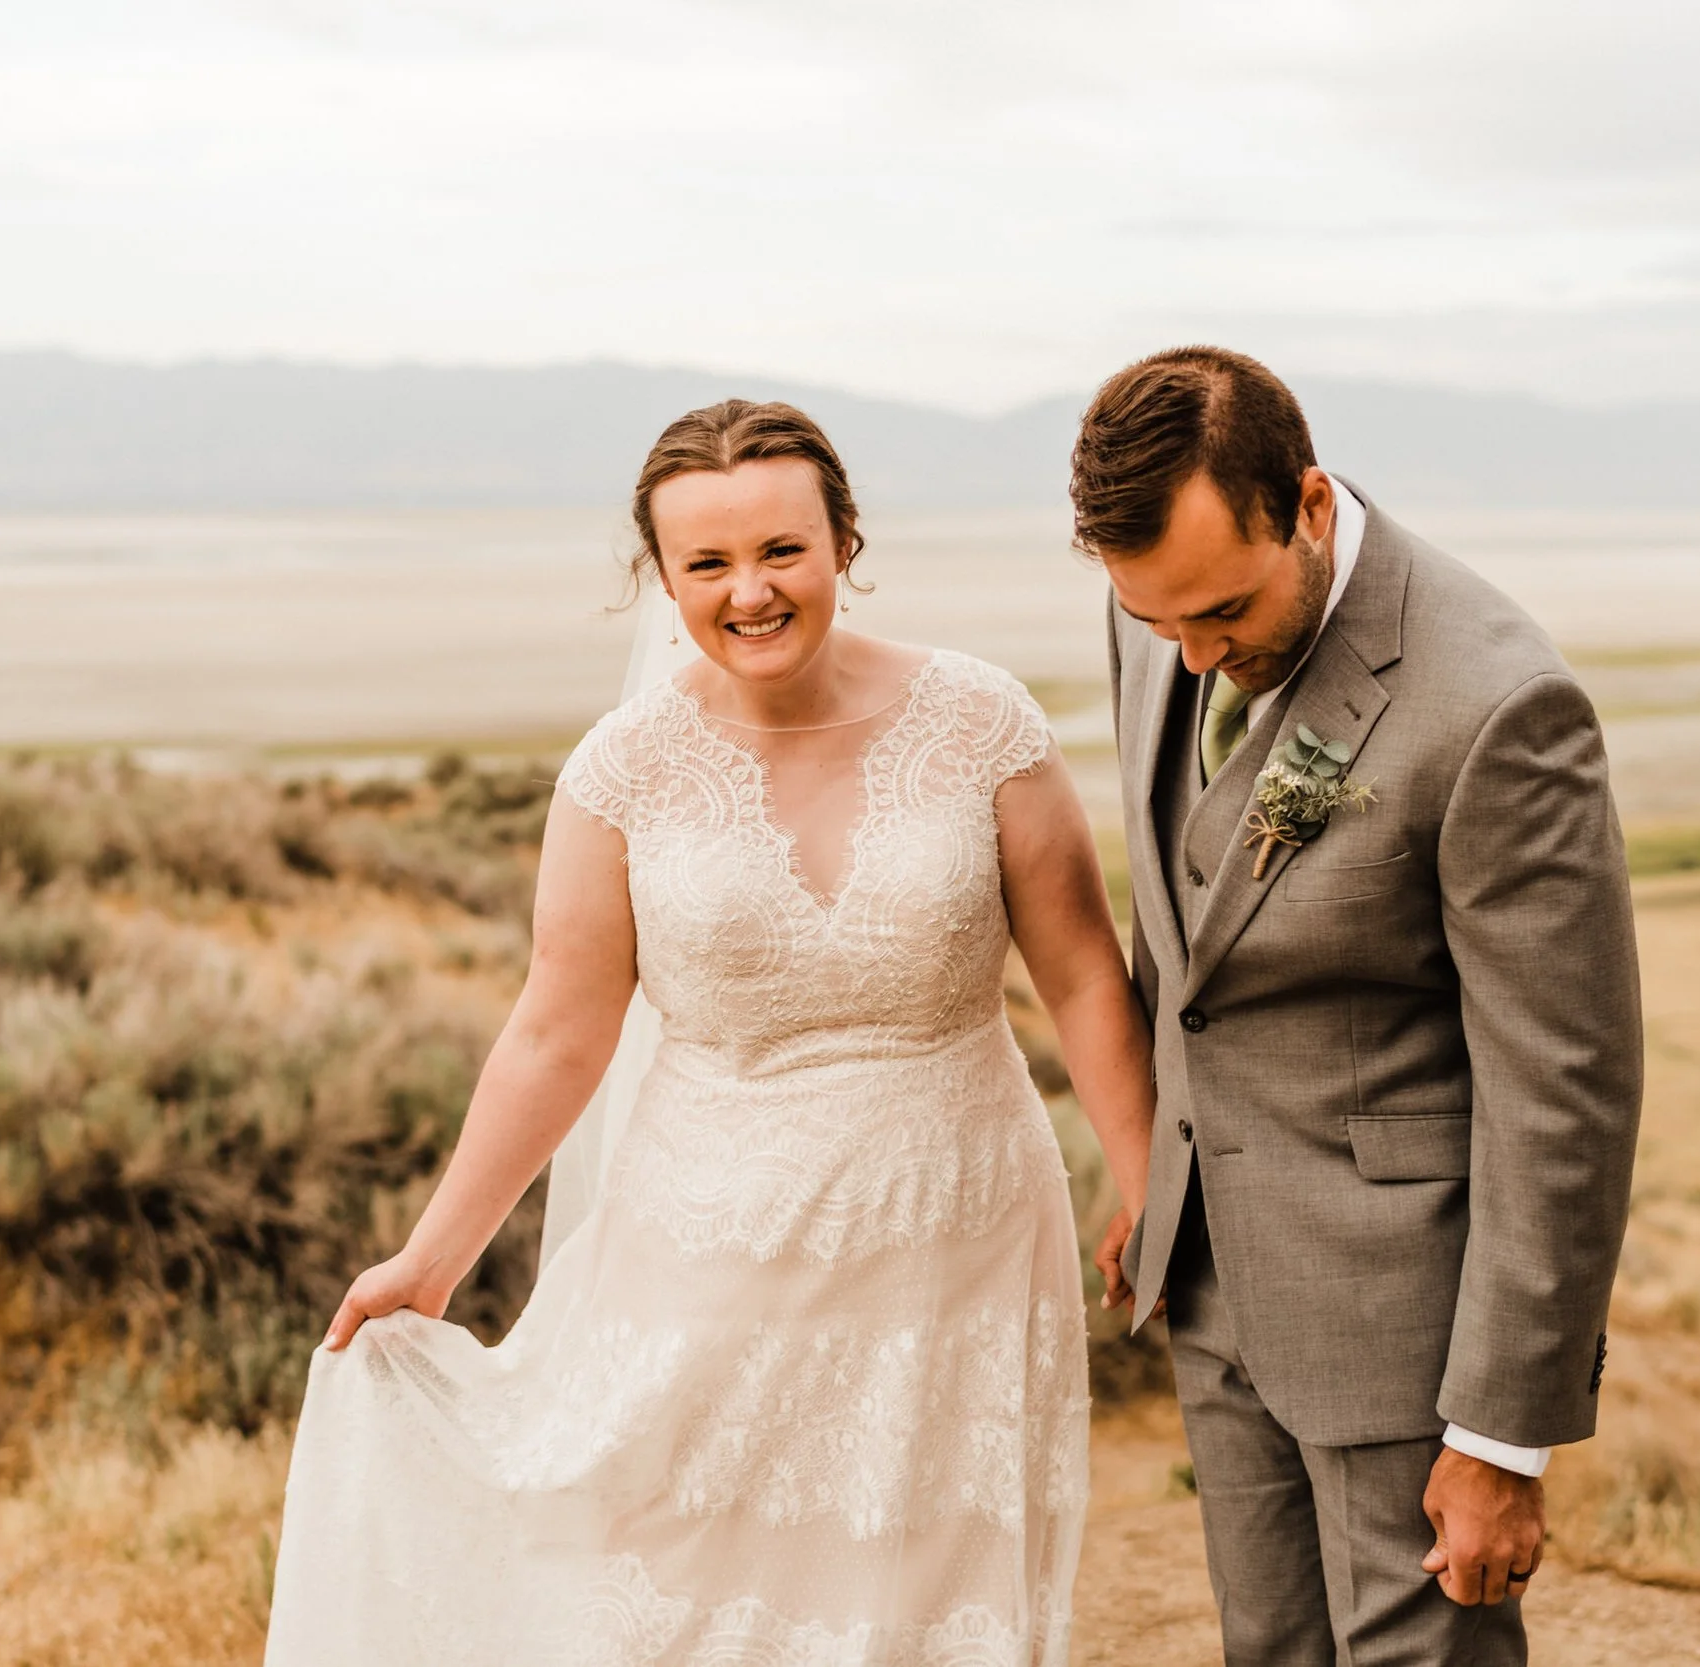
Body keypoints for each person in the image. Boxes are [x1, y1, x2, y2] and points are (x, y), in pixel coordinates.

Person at [263, 399, 1154, 1666]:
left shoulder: (984, 725)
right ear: (660, 577)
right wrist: (432, 1256)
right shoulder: (621, 769)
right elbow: (554, 1033)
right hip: (706, 1253)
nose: (750, 591)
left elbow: (1078, 974)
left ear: (844, 540)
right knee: (683, 1588)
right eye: (708, 563)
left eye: (782, 549)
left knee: (922, 1590)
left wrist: (1138, 1177)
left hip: (956, 1240)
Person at [1080, 346, 1645, 1666]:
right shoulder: (1154, 605)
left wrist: (1502, 1433)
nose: (1195, 653)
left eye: (1222, 610)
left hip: (1410, 1326)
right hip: (1219, 1279)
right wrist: (1154, 1169)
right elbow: (1187, 919)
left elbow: (1562, 1087)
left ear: (1313, 505)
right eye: (1161, 623)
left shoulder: (1499, 702)